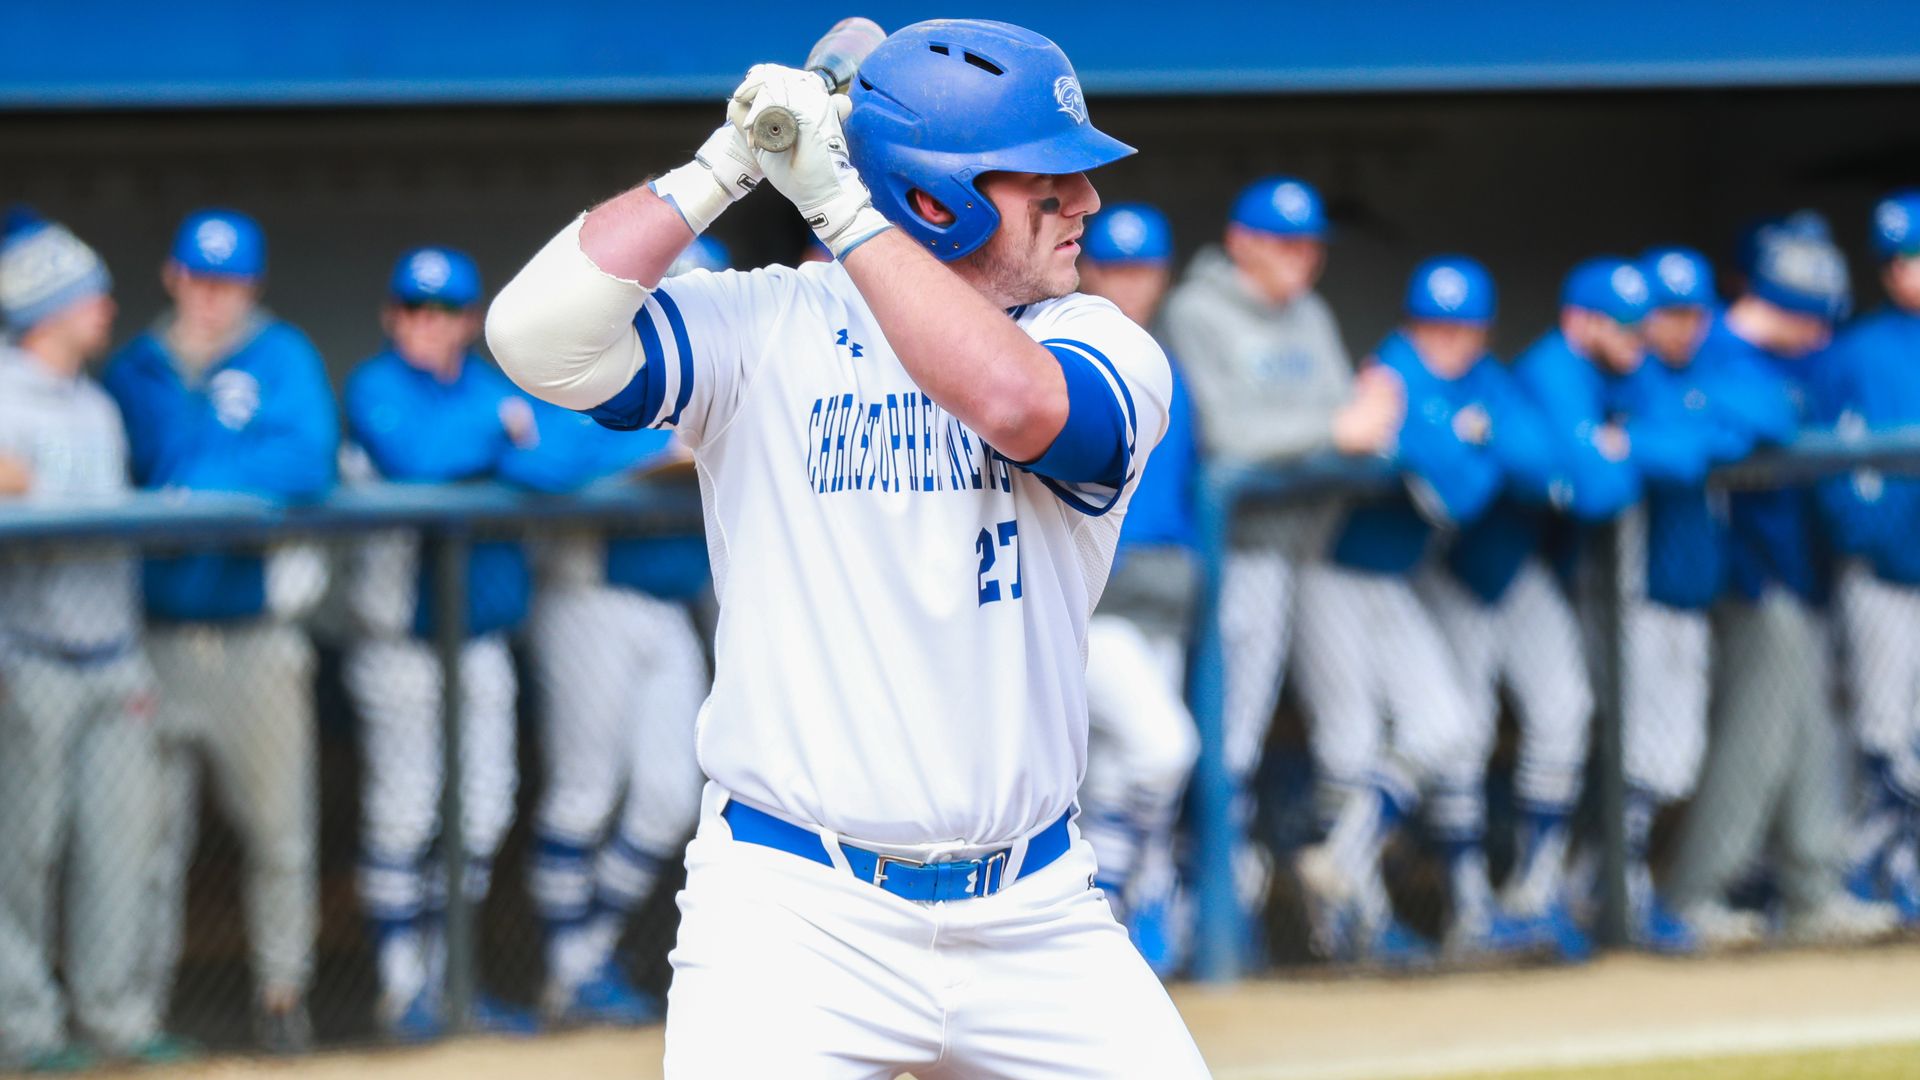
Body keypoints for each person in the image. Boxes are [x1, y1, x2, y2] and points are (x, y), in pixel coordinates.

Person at [486, 19, 1212, 1076]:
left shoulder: (1095, 338)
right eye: (1047, 184)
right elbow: (534, 338)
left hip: (1035, 910)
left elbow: (1018, 405)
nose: (1087, 202)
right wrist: (728, 163)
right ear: (938, 200)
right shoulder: (766, 321)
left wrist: (838, 204)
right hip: (793, 911)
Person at [103, 208, 337, 1053]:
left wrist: (194, 488)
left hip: (253, 636)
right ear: (173, 277)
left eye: (228, 283)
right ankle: (139, 1014)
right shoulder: (134, 367)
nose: (212, 297)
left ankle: (283, 1000)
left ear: (253, 286)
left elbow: (307, 461)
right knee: (144, 844)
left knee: (278, 834)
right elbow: (111, 475)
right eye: (199, 280)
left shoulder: (282, 356)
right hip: (153, 637)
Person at [1157, 175, 1404, 950]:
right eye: (1286, 244)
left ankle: (1338, 917)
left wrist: (1340, 426)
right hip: (1236, 552)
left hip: (1308, 549)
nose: (1304, 259)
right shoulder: (1194, 311)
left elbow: (1351, 423)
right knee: (1225, 741)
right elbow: (1227, 437)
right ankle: (1206, 920)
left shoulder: (1311, 314)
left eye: (1311, 246)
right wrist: (1331, 430)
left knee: (1350, 727)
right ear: (1242, 243)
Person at [342, 246, 579, 1038]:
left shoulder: (492, 386)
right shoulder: (374, 385)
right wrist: (497, 436)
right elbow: (417, 458)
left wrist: (497, 436)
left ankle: (449, 984)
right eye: (413, 308)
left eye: (444, 311)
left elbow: (559, 463)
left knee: (481, 810)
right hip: (398, 639)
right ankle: (399, 987)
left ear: (471, 322)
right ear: (390, 315)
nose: (427, 323)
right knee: (405, 813)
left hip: (479, 638)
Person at [1292, 256, 1554, 963]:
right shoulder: (1391, 372)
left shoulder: (1479, 380)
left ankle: (1342, 861)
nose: (1448, 340)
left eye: (1463, 329)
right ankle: (1351, 926)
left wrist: (1474, 440)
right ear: (1413, 324)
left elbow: (1538, 456)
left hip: (1386, 579)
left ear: (1483, 333)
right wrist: (1478, 440)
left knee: (1444, 726)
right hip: (1328, 571)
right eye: (1434, 325)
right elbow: (1459, 494)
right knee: (1348, 741)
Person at [1662, 211, 1899, 944]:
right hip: (1750, 583)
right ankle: (1695, 893)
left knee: (1807, 739)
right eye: (1815, 320)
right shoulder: (1715, 349)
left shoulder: (1788, 361)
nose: (1824, 337)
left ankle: (1812, 892)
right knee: (1756, 742)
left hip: (1798, 580)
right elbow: (1733, 421)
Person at [0, 209, 172, 1070]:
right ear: (47, 306)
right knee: (19, 858)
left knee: (120, 853)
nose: (105, 306)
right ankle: (24, 1033)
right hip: (26, 656)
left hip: (112, 654)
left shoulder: (98, 406)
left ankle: (115, 1022)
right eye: (88, 294)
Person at [525, 250, 714, 1027]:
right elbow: (540, 462)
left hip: (667, 609)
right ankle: (568, 969)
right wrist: (654, 450)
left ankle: (587, 953)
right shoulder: (587, 365)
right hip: (586, 598)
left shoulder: (711, 381)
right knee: (584, 792)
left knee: (670, 798)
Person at [1073, 202, 1201, 974]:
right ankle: (1113, 905)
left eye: (1143, 270)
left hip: (1161, 601)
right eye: (1115, 268)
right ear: (1088, 269)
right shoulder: (1064, 347)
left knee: (1119, 775)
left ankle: (1113, 921)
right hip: (1092, 606)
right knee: (1164, 748)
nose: (1129, 284)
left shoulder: (1167, 362)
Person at [1818, 189, 1920, 923]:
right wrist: (1872, 541)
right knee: (1883, 726)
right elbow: (1829, 467)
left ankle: (1882, 865)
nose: (1911, 271)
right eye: (1901, 259)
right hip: (1883, 575)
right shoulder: (1856, 351)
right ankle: (1875, 871)